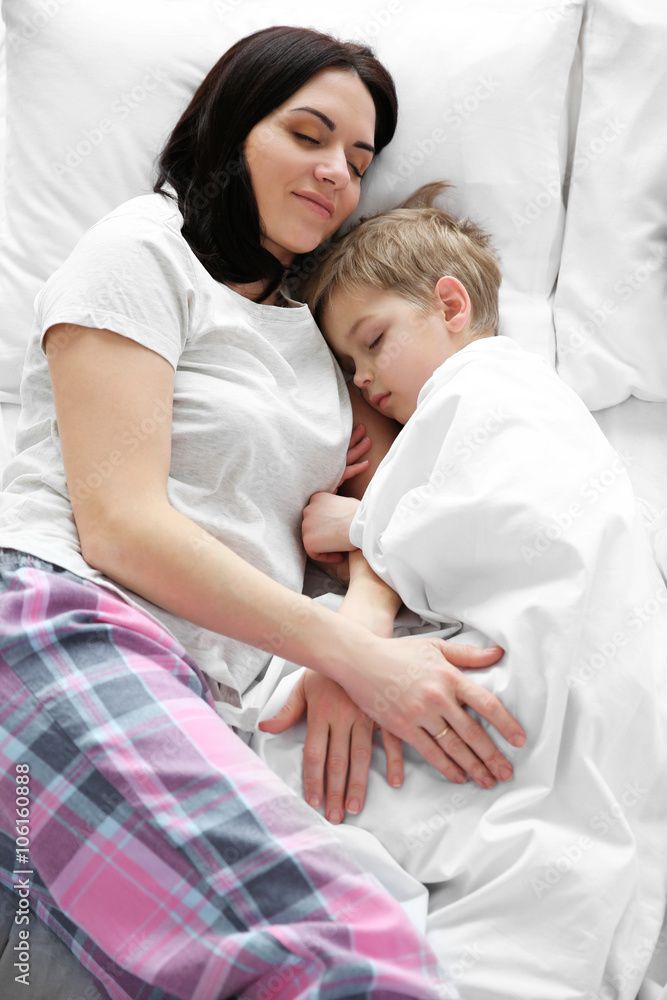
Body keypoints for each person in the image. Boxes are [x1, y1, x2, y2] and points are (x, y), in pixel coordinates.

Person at [0, 29, 527, 1000]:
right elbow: (120, 524)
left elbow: (391, 500)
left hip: (202, 683)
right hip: (56, 618)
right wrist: (352, 659)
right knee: (352, 949)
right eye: (309, 135)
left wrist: (359, 621)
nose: (337, 174)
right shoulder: (138, 250)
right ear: (232, 126)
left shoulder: (322, 331)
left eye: (360, 161)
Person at [287, 183, 667, 996]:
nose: (362, 381)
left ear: (450, 305)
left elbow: (496, 518)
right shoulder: (459, 408)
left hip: (563, 651)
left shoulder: (490, 388)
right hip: (568, 661)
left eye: (373, 342)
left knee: (287, 735)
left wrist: (359, 525)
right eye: (348, 368)